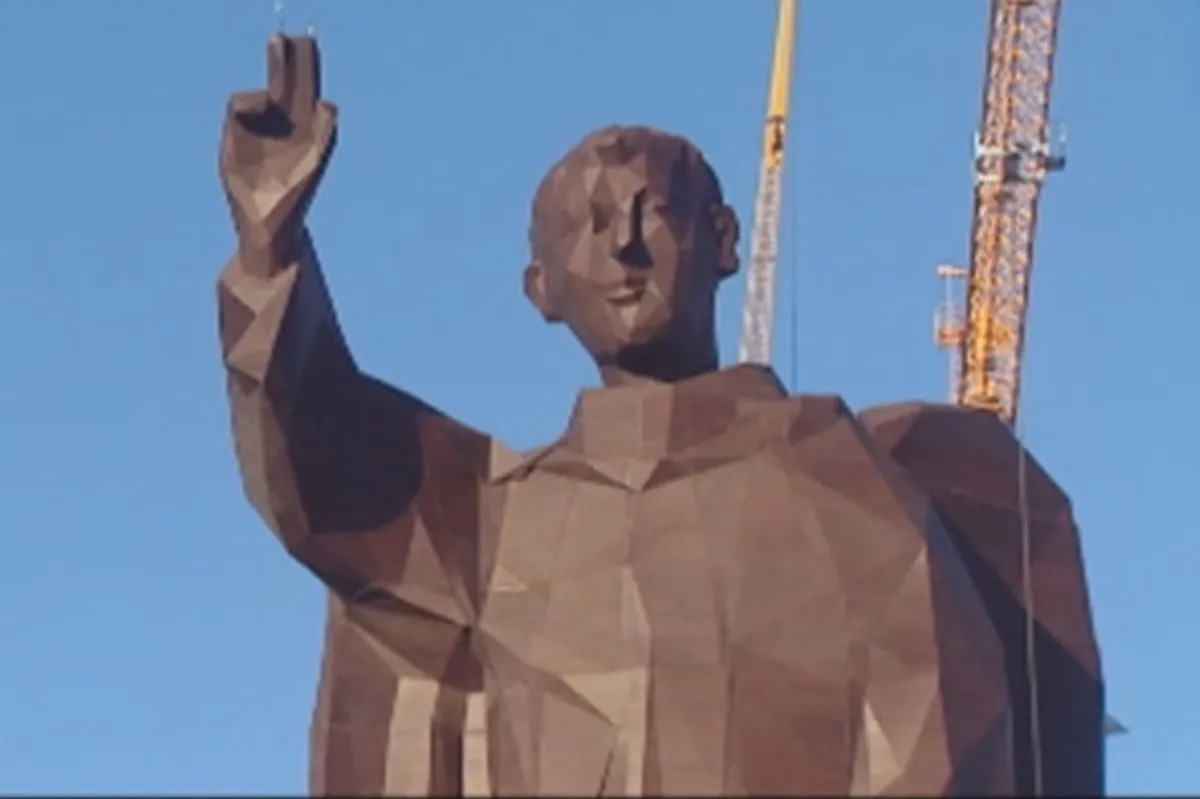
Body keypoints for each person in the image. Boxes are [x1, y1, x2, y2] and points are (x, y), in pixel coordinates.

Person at [218, 34, 1014, 796]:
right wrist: (269, 253)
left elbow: (943, 722)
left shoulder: (838, 479)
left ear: (723, 241)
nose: (624, 248)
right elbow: (321, 465)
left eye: (650, 212)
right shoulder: (495, 522)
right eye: (588, 229)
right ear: (541, 289)